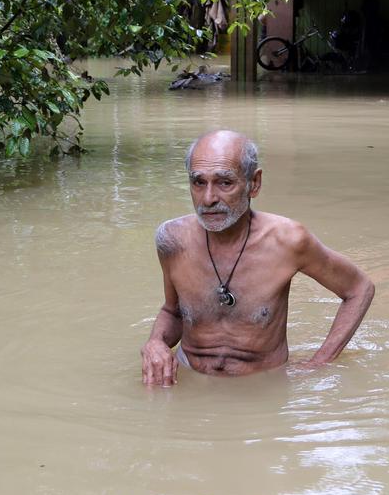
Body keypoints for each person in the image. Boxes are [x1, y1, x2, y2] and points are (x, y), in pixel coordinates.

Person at [141, 130, 375, 385]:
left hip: (261, 386)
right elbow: (173, 311)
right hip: (189, 379)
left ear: (254, 183)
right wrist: (156, 343)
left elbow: (359, 289)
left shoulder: (288, 241)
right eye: (199, 182)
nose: (208, 199)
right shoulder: (172, 240)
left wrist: (318, 364)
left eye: (225, 182)